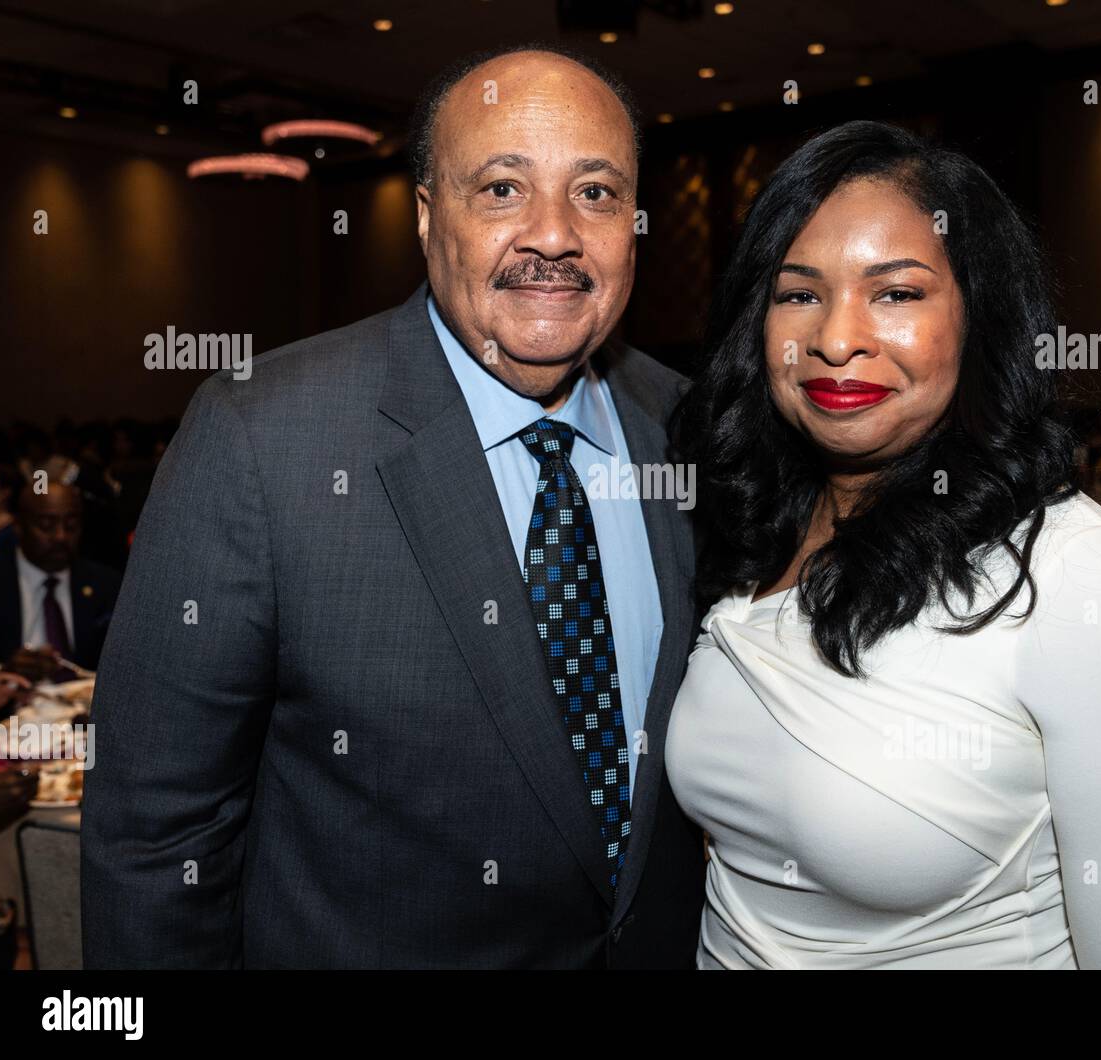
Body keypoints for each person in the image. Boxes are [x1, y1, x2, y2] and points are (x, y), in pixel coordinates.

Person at [81, 45, 705, 969]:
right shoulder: (264, 437)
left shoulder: (689, 429)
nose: (553, 236)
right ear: (425, 215)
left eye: (597, 193)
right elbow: (155, 836)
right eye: (501, 188)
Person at [667, 120, 1101, 969]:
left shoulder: (1085, 588)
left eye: (896, 293)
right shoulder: (754, 532)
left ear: (982, 318)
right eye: (798, 293)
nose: (836, 337)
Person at [0, 479, 120, 681]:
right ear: (18, 527)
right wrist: (2, 672)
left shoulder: (105, 584)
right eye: (46, 526)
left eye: (71, 525)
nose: (60, 536)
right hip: (11, 709)